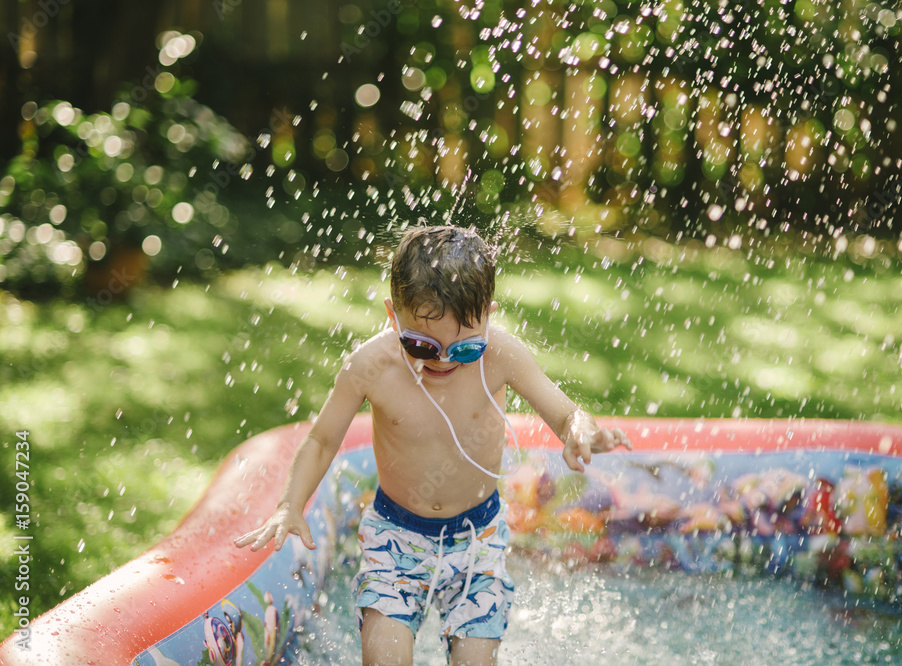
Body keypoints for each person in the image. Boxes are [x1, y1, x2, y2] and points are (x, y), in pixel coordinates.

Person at [234, 225, 631, 665]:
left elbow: (563, 411)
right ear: (393, 315)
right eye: (420, 345)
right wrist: (291, 505)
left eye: (463, 349)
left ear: (488, 315)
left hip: (477, 539)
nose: (442, 359)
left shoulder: (501, 355)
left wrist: (580, 429)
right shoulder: (371, 367)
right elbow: (322, 440)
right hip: (395, 537)